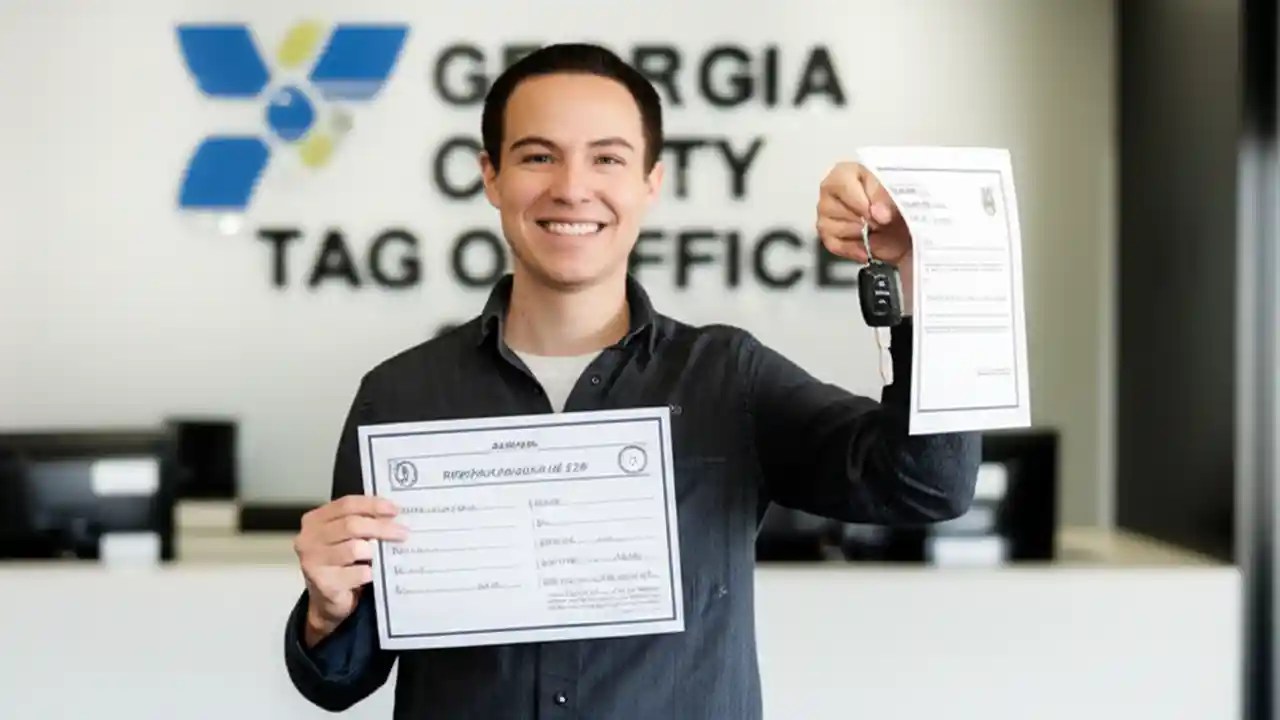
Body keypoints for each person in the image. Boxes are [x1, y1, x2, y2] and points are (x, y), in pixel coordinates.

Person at [284, 42, 980, 718]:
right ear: (490, 176)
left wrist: (921, 275)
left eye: (608, 158)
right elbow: (340, 680)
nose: (571, 188)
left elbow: (929, 483)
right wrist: (327, 610)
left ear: (652, 181)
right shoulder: (399, 397)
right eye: (537, 156)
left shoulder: (727, 379)